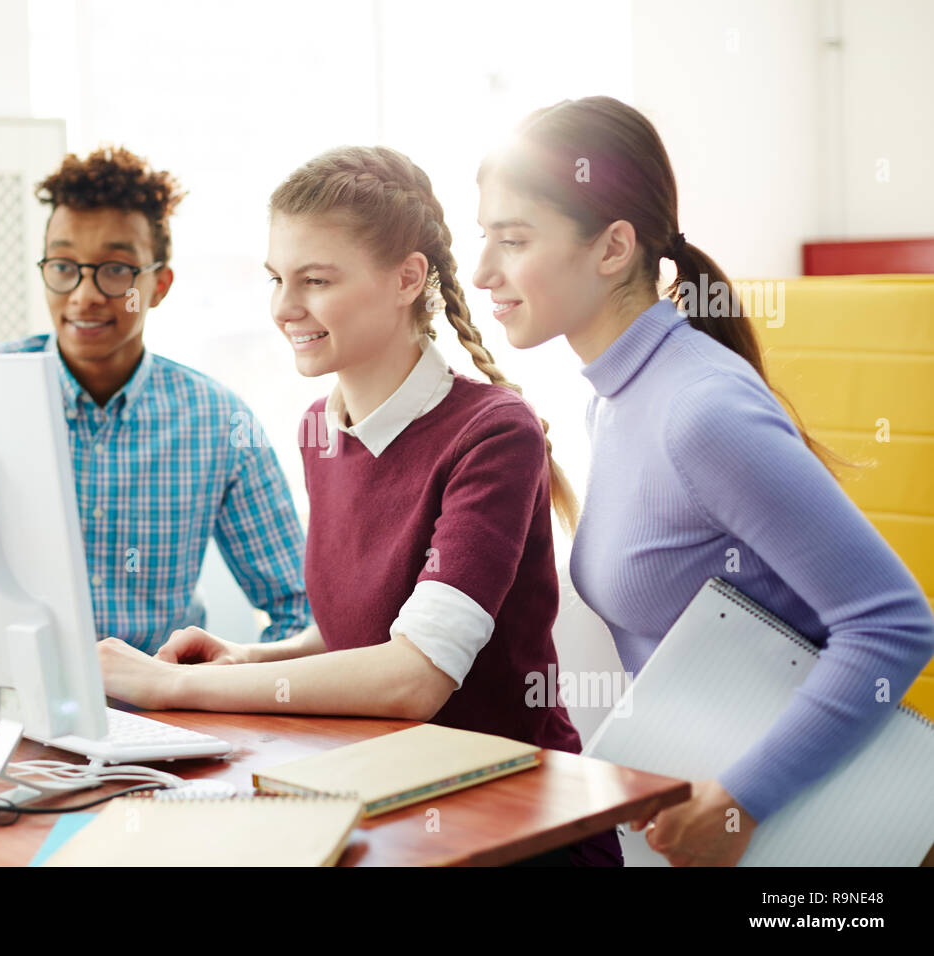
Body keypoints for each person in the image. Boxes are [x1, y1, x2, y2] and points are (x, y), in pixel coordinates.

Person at [99, 145, 623, 867]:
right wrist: (255, 657)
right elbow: (367, 622)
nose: (285, 308)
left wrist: (174, 687)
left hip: (512, 828)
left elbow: (414, 676)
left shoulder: (493, 434)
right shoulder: (321, 427)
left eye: (315, 280)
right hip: (388, 803)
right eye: (278, 278)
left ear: (408, 278)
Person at [472, 95, 934, 866]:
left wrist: (739, 800)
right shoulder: (613, 401)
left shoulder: (699, 410)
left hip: (810, 834)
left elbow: (893, 624)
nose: (483, 269)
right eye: (484, 237)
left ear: (614, 248)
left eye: (512, 239)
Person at [0, 145, 309, 653]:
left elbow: (300, 608)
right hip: (0, 704)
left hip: (158, 712)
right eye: (64, 265)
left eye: (115, 269)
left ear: (158, 285)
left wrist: (235, 691)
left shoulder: (216, 421)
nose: (84, 295)